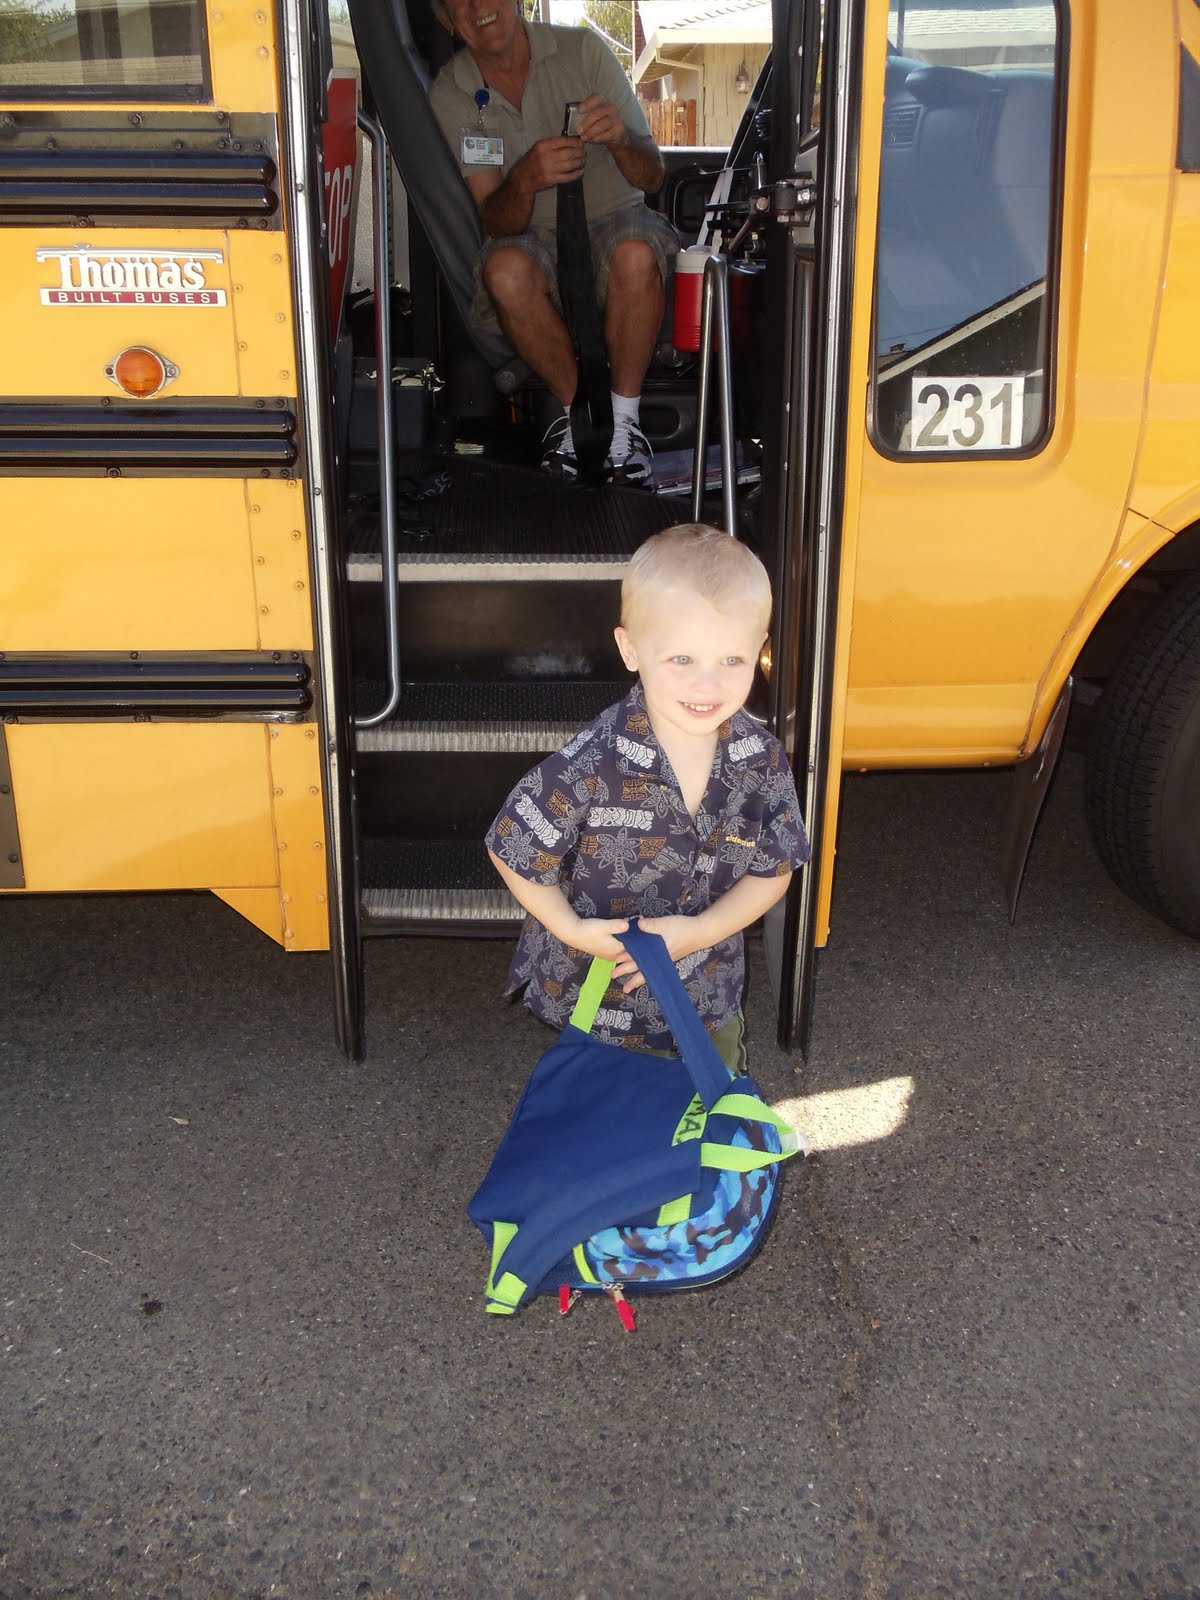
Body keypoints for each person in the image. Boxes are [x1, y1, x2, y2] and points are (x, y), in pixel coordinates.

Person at [486, 524, 810, 1070]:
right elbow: (511, 846)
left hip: (706, 996)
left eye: (732, 660)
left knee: (709, 1109)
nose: (707, 685)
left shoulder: (763, 761)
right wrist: (569, 929)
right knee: (605, 1113)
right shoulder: (591, 763)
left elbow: (775, 869)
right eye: (681, 659)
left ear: (761, 651)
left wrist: (702, 932)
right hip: (598, 1004)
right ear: (630, 649)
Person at [428, 0, 679, 486]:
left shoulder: (583, 51)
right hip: (531, 237)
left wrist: (620, 139)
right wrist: (524, 180)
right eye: (459, 1)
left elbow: (653, 176)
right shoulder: (451, 91)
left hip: (616, 219)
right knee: (503, 270)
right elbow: (496, 220)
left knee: (635, 254)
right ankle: (577, 415)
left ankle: (623, 426)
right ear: (446, 21)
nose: (478, 7)